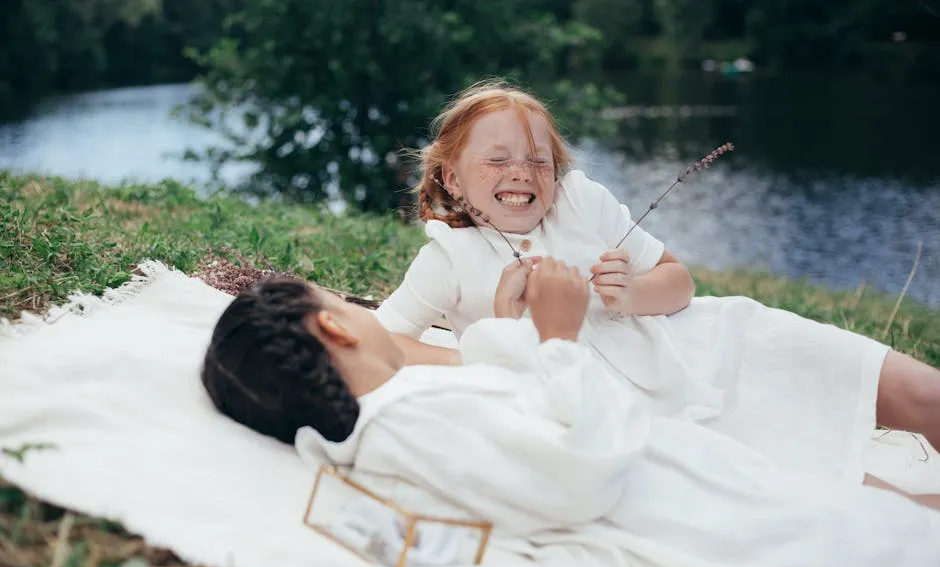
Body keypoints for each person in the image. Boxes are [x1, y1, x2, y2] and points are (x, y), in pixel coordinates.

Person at [200, 266, 940, 567]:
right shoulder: (404, 424)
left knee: (880, 519)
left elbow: (514, 424)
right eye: (343, 305)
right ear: (335, 327)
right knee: (882, 545)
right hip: (698, 509)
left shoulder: (396, 420)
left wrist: (511, 328)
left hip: (696, 481)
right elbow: (574, 472)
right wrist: (556, 336)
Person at [373, 79, 940, 484]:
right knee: (856, 496)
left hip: (703, 346)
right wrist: (495, 344)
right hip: (631, 411)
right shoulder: (448, 258)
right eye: (497, 160)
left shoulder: (580, 201)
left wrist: (633, 291)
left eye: (539, 160)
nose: (522, 172)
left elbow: (681, 281)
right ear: (451, 175)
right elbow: (384, 338)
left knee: (916, 391)